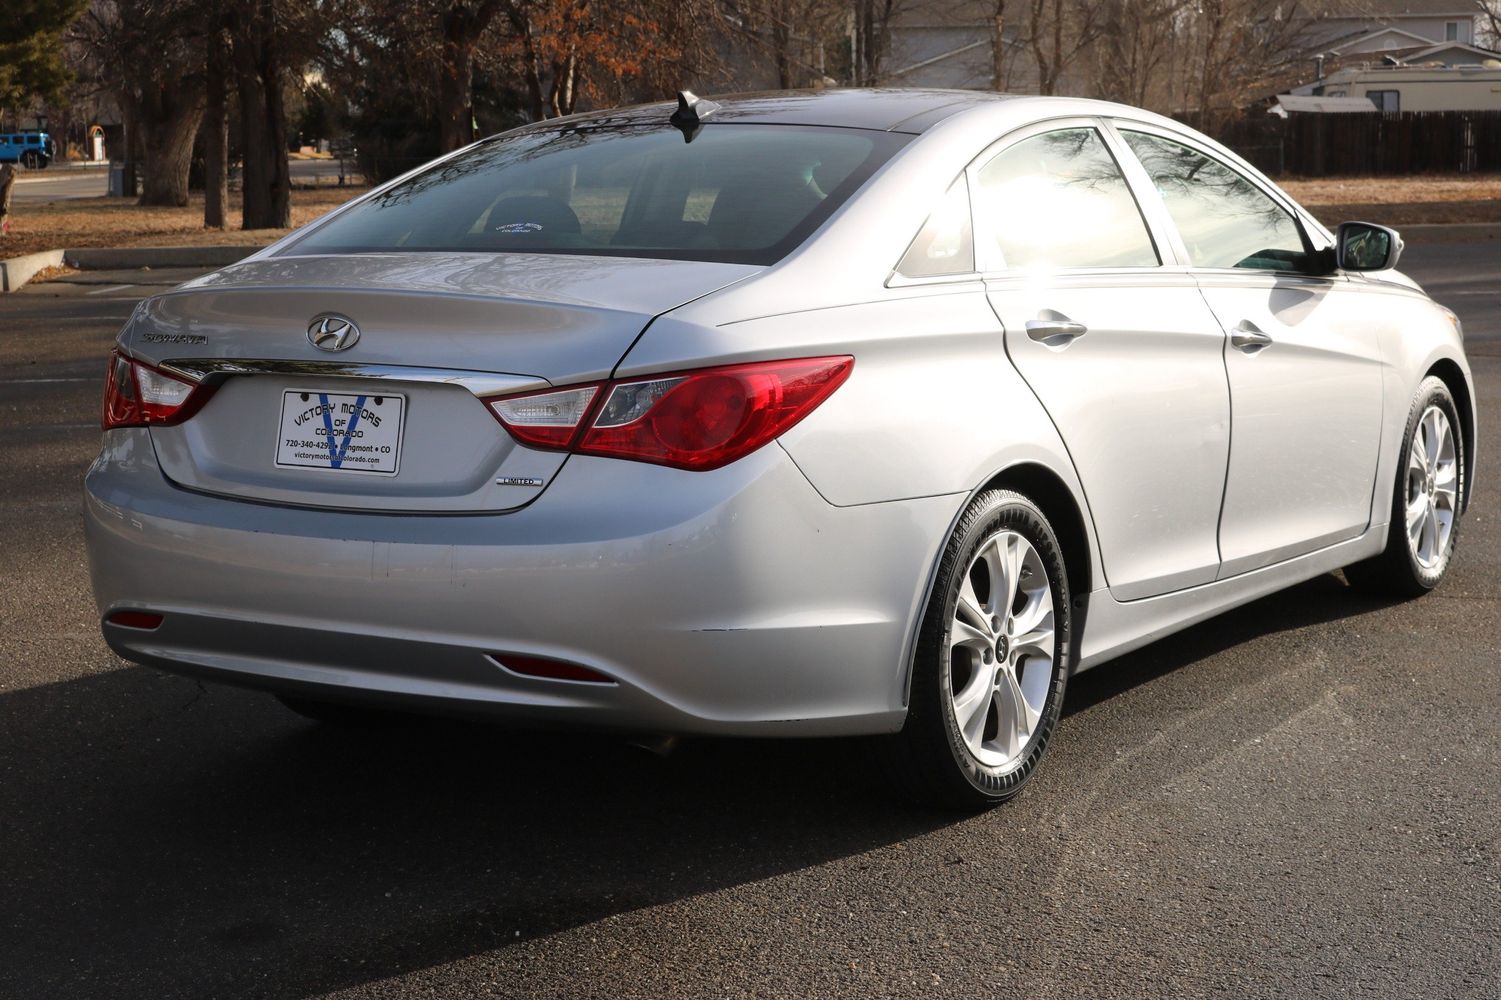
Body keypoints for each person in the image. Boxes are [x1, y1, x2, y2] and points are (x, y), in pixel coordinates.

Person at [0, 162, 15, 237]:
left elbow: (6, 192)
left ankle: (3, 229)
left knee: (4, 207)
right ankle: (4, 229)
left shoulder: (8, 170)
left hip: (4, 197)